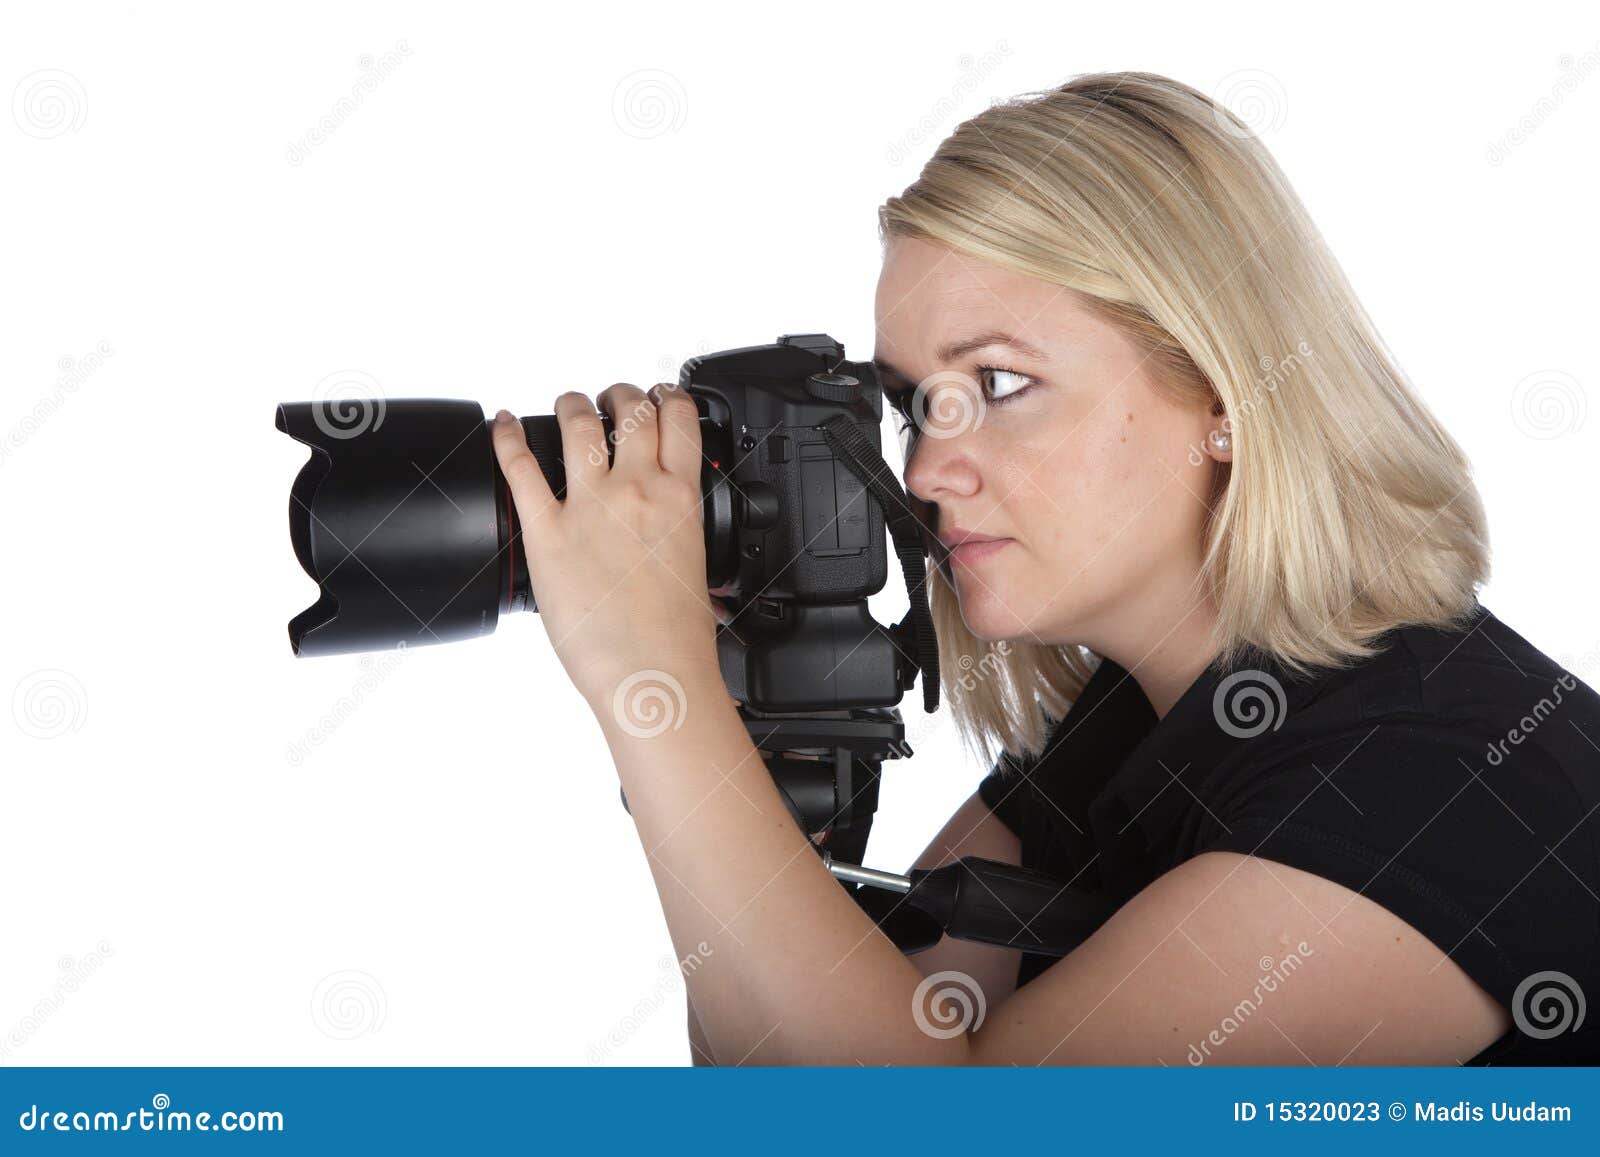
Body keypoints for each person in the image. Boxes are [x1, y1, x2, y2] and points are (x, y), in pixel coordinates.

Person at [490, 70, 1600, 1065]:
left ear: (1224, 397)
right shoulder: (1138, 725)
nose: (926, 469)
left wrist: (654, 681)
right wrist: (739, 733)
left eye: (1003, 384)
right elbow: (775, 1066)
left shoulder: (1436, 778)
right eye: (914, 403)